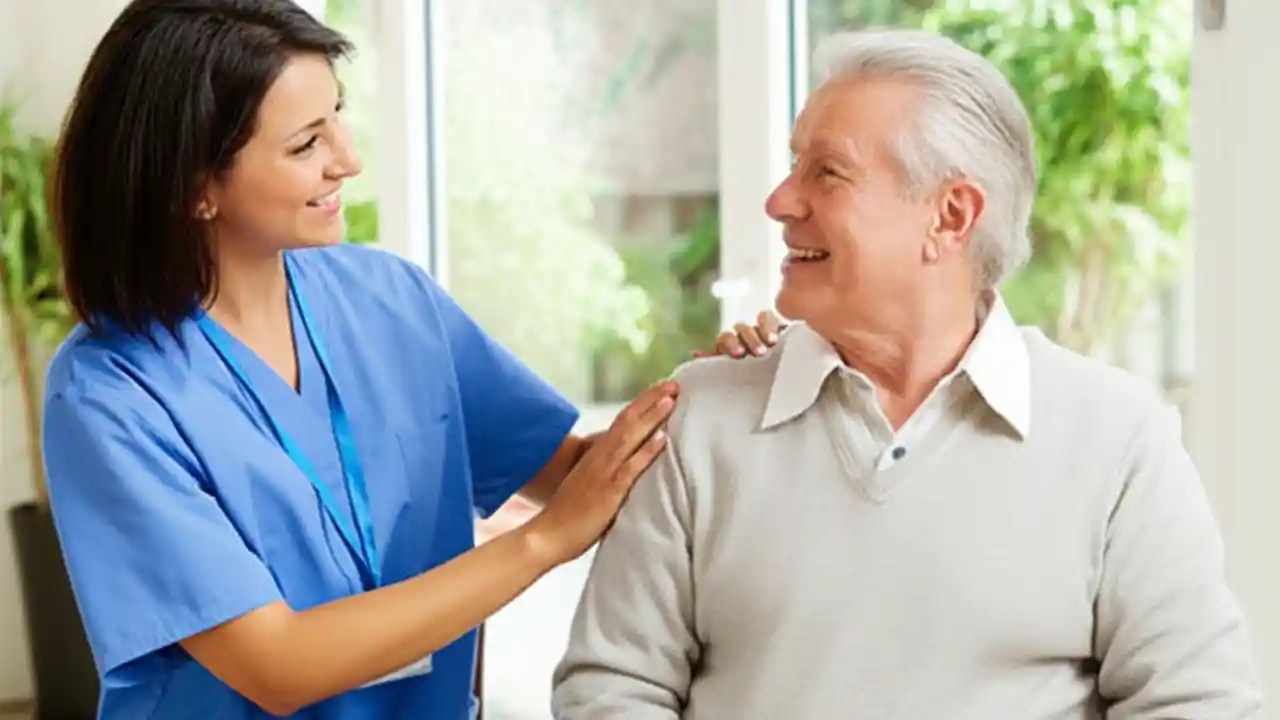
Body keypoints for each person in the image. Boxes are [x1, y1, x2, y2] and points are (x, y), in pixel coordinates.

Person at [40, 1, 762, 718]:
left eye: (339, 116)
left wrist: (727, 396)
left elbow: (575, 476)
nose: (348, 159)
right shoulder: (110, 394)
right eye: (305, 144)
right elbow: (277, 665)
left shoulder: (392, 300)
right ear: (195, 185)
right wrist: (541, 543)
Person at [551, 28, 1263, 719]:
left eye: (826, 172)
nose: (780, 201)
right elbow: (611, 689)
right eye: (794, 163)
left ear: (950, 217)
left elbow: (1197, 701)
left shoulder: (1116, 437)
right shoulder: (701, 420)